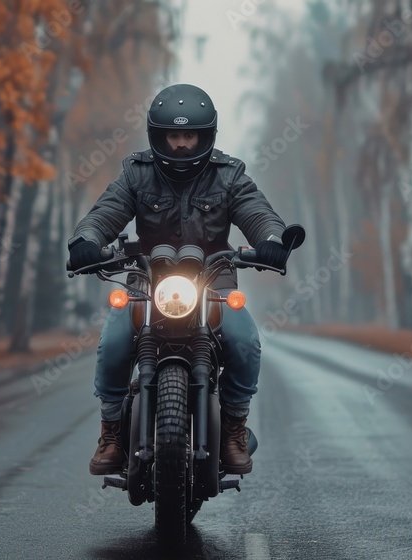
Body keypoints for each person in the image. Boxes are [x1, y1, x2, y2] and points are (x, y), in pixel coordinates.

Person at [67, 83, 291, 476]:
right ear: (159, 135)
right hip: (147, 282)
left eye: (190, 136)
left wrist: (272, 239)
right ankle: (112, 431)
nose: (183, 144)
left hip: (215, 281)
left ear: (205, 136)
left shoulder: (229, 174)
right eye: (175, 135)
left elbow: (256, 211)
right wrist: (86, 239)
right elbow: (106, 211)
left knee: (244, 340)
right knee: (115, 338)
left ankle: (235, 427)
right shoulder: (136, 174)